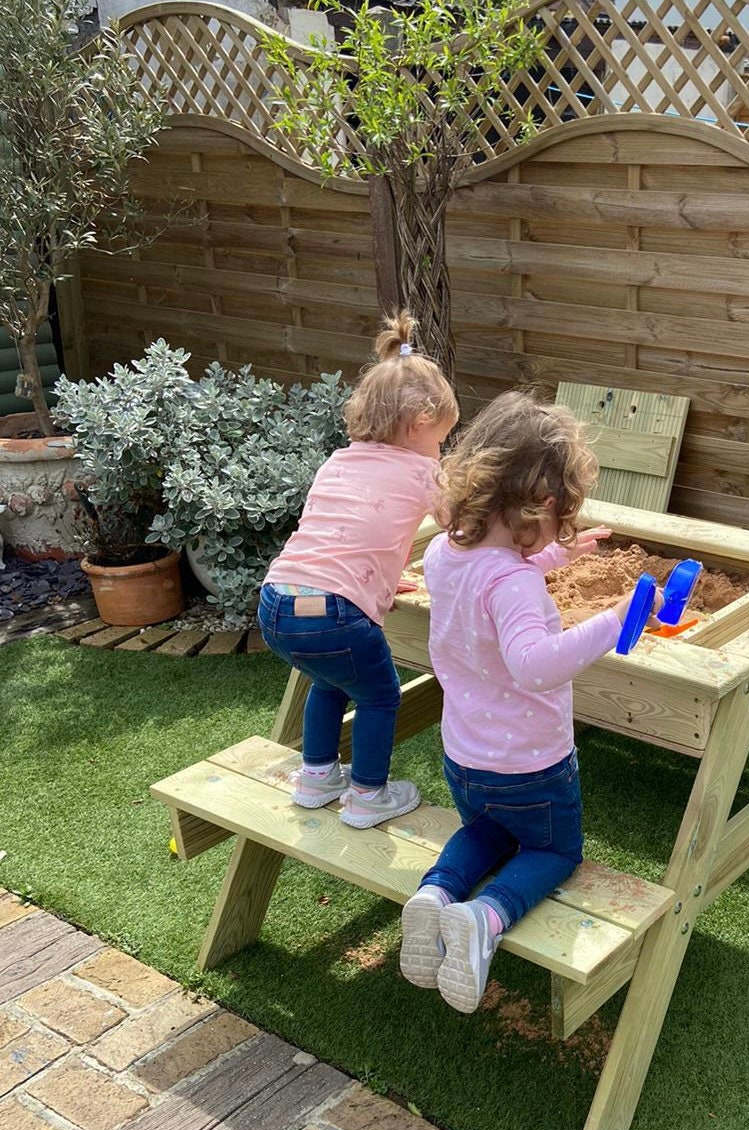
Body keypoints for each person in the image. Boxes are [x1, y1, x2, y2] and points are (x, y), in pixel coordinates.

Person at [399, 390, 660, 1013]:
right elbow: (535, 665)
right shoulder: (512, 581)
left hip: (465, 756)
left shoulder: (442, 552)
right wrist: (615, 617)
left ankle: (435, 898)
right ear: (543, 504)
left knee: (483, 832)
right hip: (532, 765)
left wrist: (554, 556)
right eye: (559, 518)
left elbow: (494, 574)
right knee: (553, 851)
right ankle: (487, 917)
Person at [258, 312, 458, 828]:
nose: (440, 449)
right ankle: (369, 795)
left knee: (328, 680)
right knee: (381, 695)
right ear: (419, 424)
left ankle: (317, 776)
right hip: (335, 612)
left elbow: (340, 537)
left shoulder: (339, 461)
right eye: (441, 438)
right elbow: (462, 527)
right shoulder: (423, 471)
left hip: (278, 601)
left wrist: (380, 581)